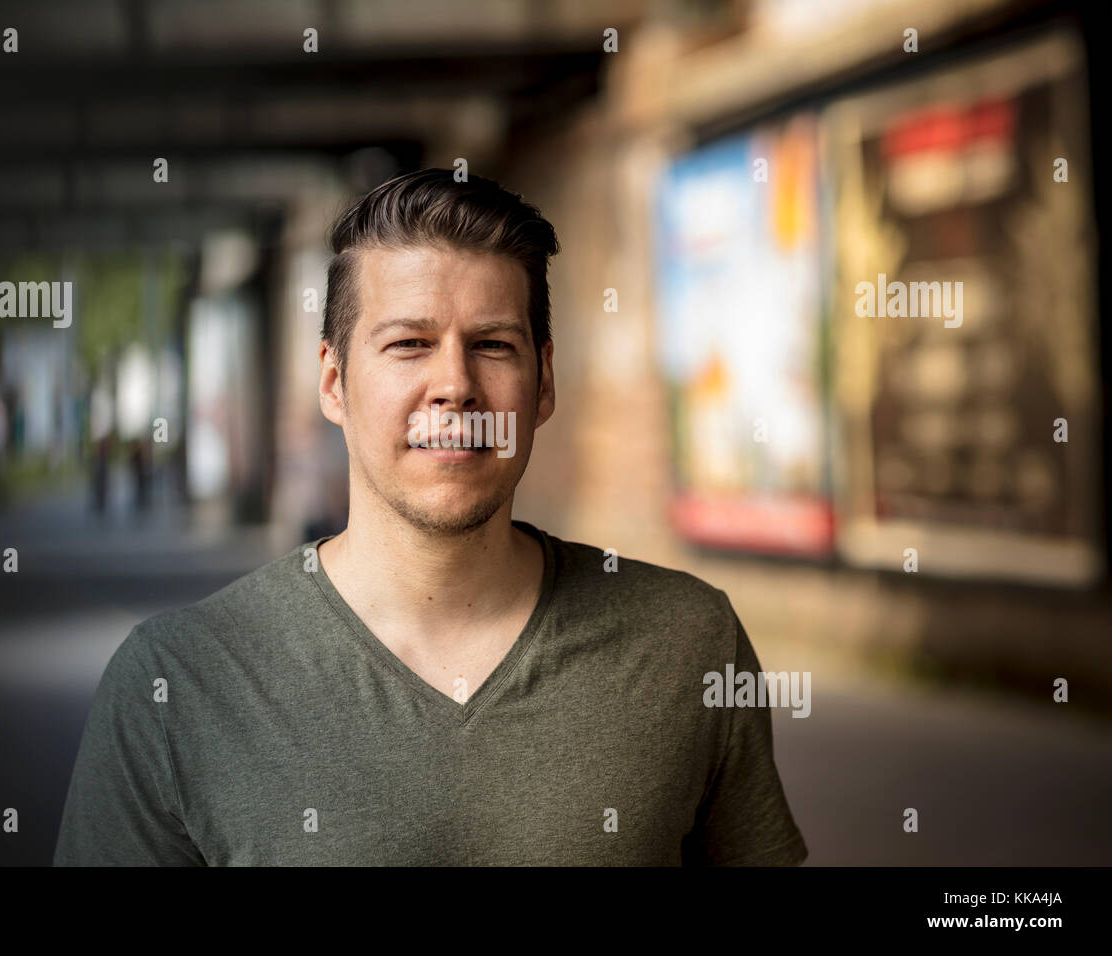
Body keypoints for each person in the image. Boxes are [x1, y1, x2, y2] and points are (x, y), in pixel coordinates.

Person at [53, 168, 808, 866]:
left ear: (544, 384)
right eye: (409, 345)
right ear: (333, 382)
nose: (455, 384)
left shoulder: (686, 643)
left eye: (492, 345)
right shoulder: (173, 685)